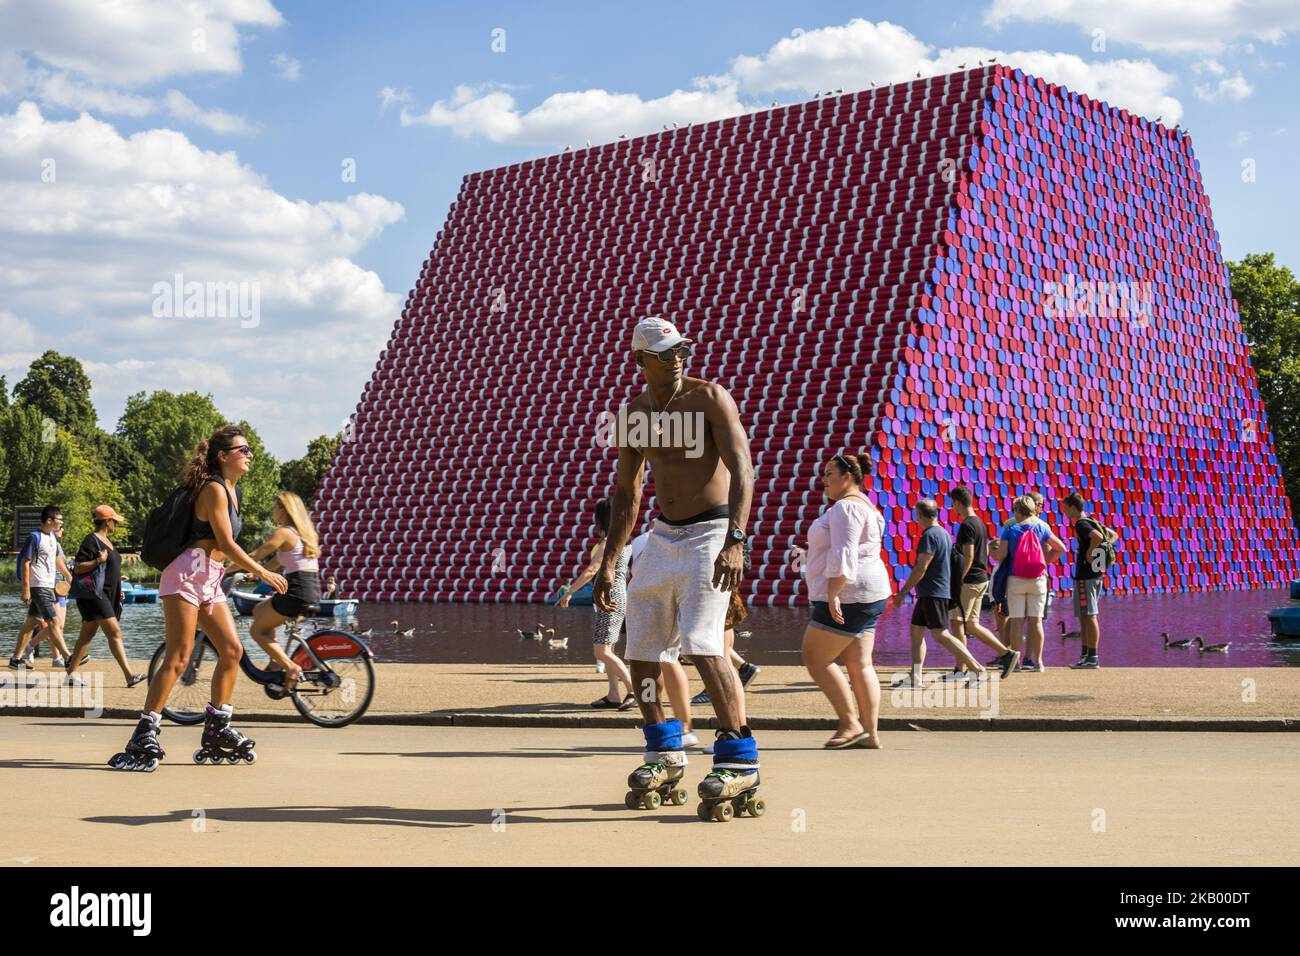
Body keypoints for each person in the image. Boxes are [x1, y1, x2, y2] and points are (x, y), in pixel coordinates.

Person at [595, 317, 761, 817]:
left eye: (681, 349)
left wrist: (736, 539)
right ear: (641, 360)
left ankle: (738, 756)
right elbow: (627, 493)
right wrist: (610, 561)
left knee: (703, 643)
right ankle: (664, 749)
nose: (677, 358)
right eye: (665, 352)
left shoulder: (710, 397)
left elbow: (742, 467)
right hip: (663, 534)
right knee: (643, 649)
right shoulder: (635, 413)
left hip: (711, 531)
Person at [109, 426, 287, 770]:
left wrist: (243, 570)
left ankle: (218, 727)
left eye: (249, 449)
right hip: (186, 575)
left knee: (232, 650)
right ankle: (144, 732)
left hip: (210, 577)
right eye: (242, 449)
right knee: (178, 656)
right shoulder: (214, 490)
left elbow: (223, 551)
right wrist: (263, 572)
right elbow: (228, 543)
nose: (249, 454)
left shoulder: (232, 491)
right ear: (223, 456)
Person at [801, 453, 891, 748]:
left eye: (829, 474)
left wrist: (832, 594)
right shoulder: (868, 506)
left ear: (847, 477)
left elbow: (845, 552)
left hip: (850, 594)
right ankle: (870, 732)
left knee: (816, 657)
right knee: (860, 663)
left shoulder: (845, 508)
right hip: (869, 592)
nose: (824, 480)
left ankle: (850, 723)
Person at [892, 499, 1000, 686]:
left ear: (919, 515)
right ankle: (915, 676)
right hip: (933, 592)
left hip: (933, 592)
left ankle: (977, 669)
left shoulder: (929, 536)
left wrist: (903, 592)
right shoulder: (943, 533)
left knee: (941, 634)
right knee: (916, 631)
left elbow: (921, 567)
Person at [558, 497, 635, 711]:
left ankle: (632, 689)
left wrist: (569, 592)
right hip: (618, 595)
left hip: (608, 597)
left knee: (601, 651)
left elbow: (592, 569)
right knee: (608, 647)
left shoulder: (609, 541)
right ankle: (613, 694)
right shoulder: (625, 539)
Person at [245, 491, 326, 690]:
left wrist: (224, 568)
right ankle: (275, 662)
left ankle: (289, 667)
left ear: (284, 510)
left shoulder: (285, 533)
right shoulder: (306, 534)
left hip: (295, 591)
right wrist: (257, 573)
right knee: (258, 611)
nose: (273, 510)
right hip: (312, 590)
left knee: (256, 630)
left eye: (275, 507)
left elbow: (257, 554)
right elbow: (276, 561)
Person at [65, 505, 144, 688]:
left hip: (107, 594)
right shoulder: (91, 540)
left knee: (87, 635)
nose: (116, 523)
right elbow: (77, 567)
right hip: (94, 595)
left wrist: (119, 589)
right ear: (107, 521)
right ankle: (129, 675)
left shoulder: (107, 541)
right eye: (114, 520)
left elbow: (111, 571)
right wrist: (98, 560)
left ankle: (70, 675)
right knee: (115, 632)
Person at [988, 496, 1067, 672]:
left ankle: (1015, 664)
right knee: (1036, 622)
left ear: (1017, 510)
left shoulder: (1011, 529)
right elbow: (1062, 548)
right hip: (1038, 580)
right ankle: (1038, 662)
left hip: (1015, 579)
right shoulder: (1042, 527)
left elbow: (1001, 555)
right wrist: (1045, 561)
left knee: (1016, 622)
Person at [947, 486, 1018, 675]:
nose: (953, 508)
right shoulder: (979, 523)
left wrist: (958, 580)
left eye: (953, 504)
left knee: (958, 624)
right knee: (972, 625)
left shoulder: (966, 525)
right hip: (981, 579)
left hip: (969, 581)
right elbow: (983, 552)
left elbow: (968, 556)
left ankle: (961, 669)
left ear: (958, 503)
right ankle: (1007, 653)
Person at [8, 506, 74, 670]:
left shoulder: (52, 537)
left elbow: (57, 559)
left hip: (48, 585)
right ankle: (68, 657)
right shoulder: (34, 537)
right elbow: (25, 562)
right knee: (53, 621)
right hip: (38, 586)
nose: (61, 522)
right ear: (49, 520)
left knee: (31, 623)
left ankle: (16, 659)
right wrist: (26, 589)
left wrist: (68, 575)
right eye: (59, 519)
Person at [1062, 492, 1114, 669]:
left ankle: (1092, 657)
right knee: (1084, 615)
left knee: (1089, 615)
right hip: (1094, 575)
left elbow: (1098, 538)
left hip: (1086, 576)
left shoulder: (1081, 524)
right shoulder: (1093, 521)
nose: (1064, 511)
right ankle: (1086, 655)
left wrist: (1091, 553)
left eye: (1065, 508)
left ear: (1073, 507)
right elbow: (1112, 536)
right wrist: (1098, 558)